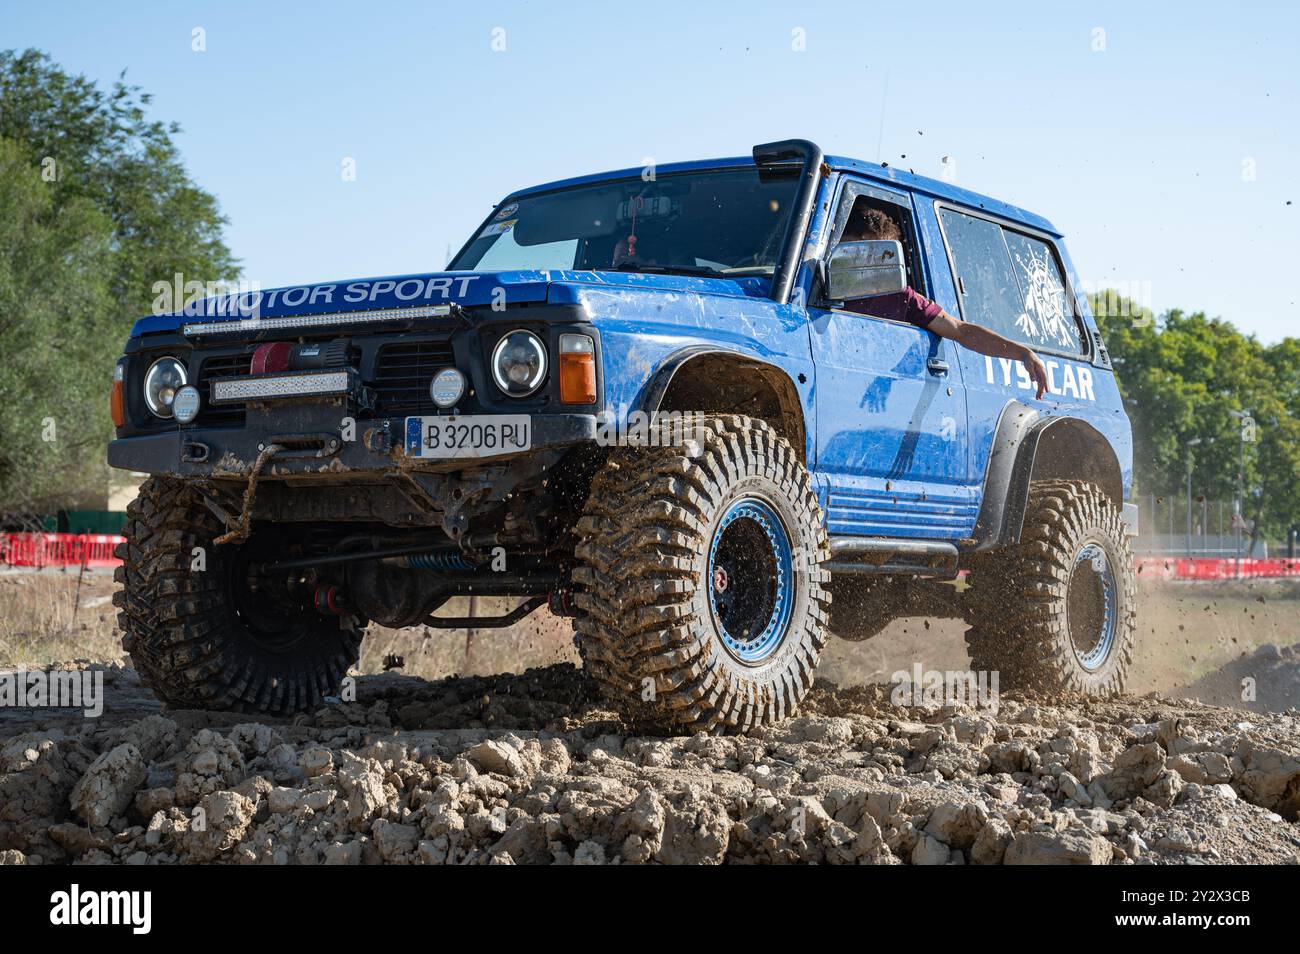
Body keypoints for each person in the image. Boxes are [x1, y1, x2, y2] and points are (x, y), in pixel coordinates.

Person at [839, 203, 1050, 400]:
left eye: (875, 256)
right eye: (851, 254)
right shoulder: (816, 283)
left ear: (890, 262)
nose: (862, 264)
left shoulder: (900, 298)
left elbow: (962, 331)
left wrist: (1023, 353)